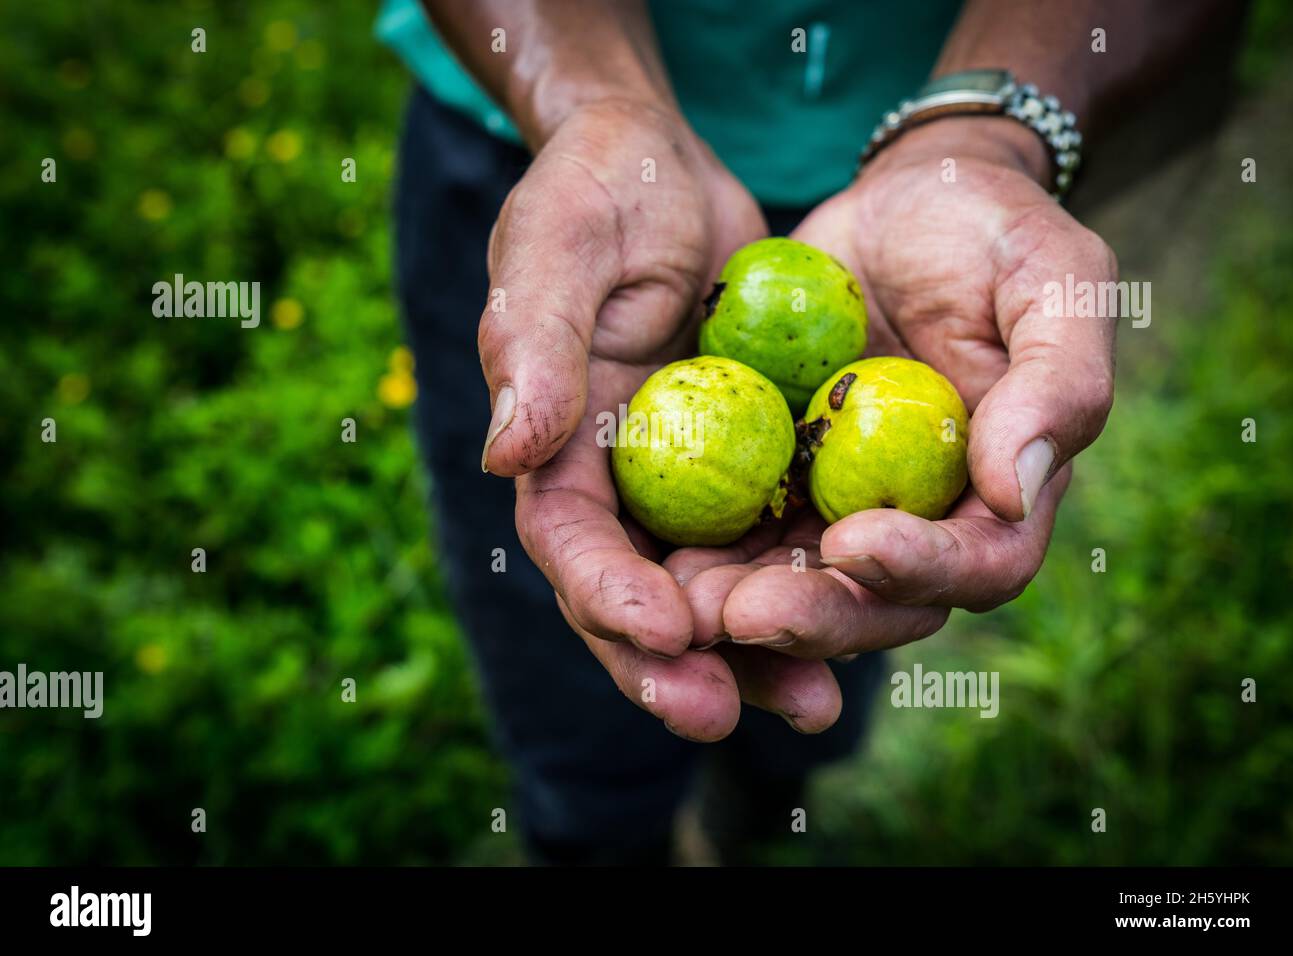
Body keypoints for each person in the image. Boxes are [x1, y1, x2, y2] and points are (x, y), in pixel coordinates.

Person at [377, 0, 1238, 864]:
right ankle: (596, 826)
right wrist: (592, 104)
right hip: (560, 168)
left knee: (841, 604)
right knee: (561, 623)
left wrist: (987, 134)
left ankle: (763, 810)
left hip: (914, 184)